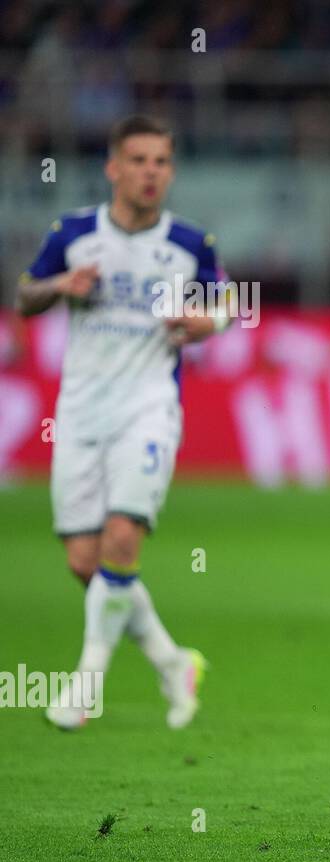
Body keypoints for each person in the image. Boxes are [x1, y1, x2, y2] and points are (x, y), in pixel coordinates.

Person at [16, 115, 231, 729]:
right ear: (114, 167)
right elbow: (25, 295)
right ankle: (172, 662)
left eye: (160, 162)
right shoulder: (74, 234)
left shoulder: (190, 244)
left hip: (149, 408)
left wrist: (205, 323)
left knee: (120, 541)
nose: (149, 173)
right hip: (81, 411)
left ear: (170, 170)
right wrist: (61, 284)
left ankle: (84, 685)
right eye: (138, 160)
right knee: (86, 562)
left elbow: (227, 302)